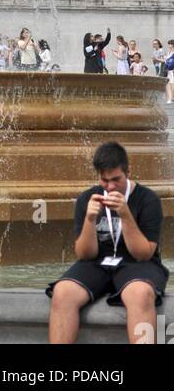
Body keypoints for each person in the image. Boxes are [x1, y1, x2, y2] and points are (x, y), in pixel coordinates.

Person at [47, 141, 168, 344]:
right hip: (99, 262)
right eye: (104, 181)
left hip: (137, 263)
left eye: (116, 180)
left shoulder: (148, 200)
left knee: (140, 293)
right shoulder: (88, 198)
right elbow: (85, 254)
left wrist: (126, 215)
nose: (111, 187)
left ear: (129, 171)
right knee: (63, 291)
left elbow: (144, 253)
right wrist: (89, 219)